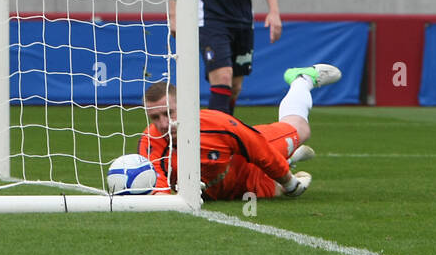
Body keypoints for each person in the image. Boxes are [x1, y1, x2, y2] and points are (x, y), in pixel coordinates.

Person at [139, 64, 341, 200]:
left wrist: (290, 184)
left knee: (300, 130)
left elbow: (261, 152)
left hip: (249, 163)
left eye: (169, 113)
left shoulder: (219, 124)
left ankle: (302, 78)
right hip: (227, 189)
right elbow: (158, 185)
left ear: (184, 105)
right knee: (273, 194)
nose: (164, 123)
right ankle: (290, 159)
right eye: (155, 118)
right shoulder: (151, 139)